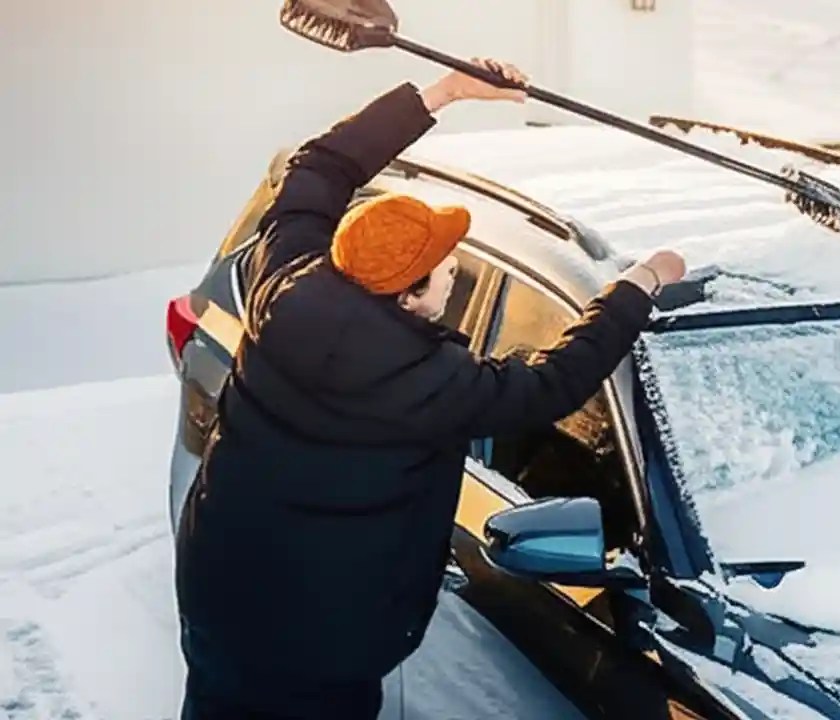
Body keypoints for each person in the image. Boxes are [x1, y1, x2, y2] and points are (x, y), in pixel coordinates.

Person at [174, 58, 687, 720]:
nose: (455, 279)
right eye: (448, 271)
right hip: (324, 655)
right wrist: (640, 283)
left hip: (221, 599)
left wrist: (445, 92)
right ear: (411, 295)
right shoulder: (434, 384)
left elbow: (320, 167)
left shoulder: (284, 283)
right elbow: (557, 381)